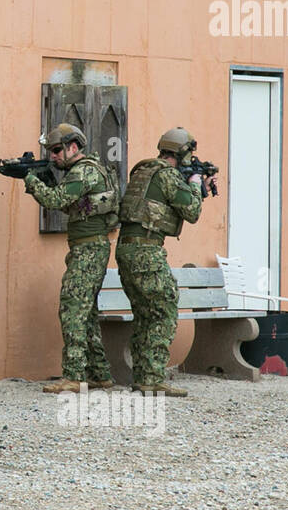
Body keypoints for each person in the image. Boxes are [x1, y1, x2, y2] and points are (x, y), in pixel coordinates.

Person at [115, 127, 215, 397]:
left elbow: (163, 203)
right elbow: (191, 212)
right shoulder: (168, 175)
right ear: (182, 153)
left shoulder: (144, 171)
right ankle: (152, 378)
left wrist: (196, 188)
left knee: (145, 314)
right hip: (146, 250)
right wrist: (195, 183)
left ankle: (143, 377)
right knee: (164, 311)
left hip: (128, 249)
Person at [22, 123, 120, 395]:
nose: (53, 156)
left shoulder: (84, 171)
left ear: (72, 147)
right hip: (88, 247)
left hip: (89, 249)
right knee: (86, 312)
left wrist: (30, 180)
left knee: (72, 308)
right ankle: (99, 374)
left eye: (56, 151)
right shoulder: (86, 170)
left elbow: (55, 200)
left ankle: (74, 376)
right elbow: (69, 202)